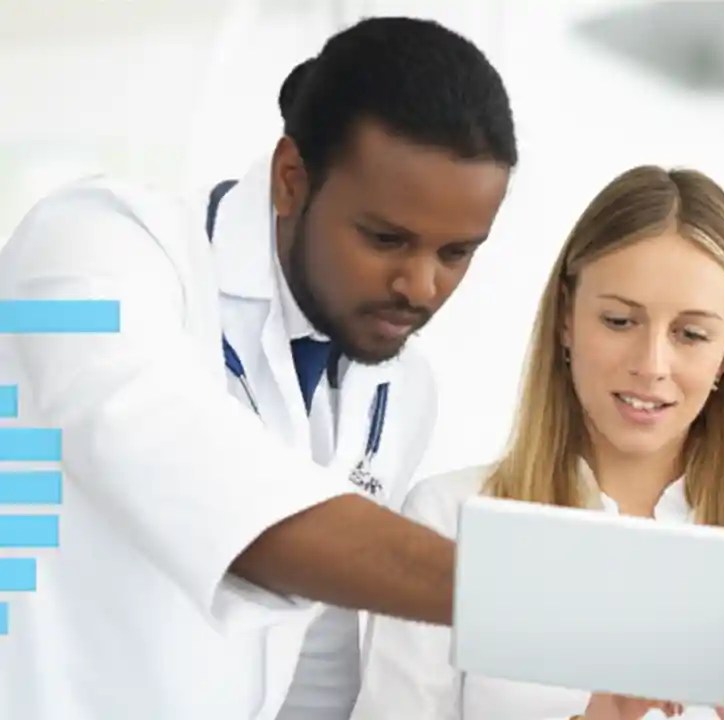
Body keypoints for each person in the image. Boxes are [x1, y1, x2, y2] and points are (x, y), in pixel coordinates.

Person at [0, 17, 516, 720]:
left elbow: (317, 651)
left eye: (457, 253)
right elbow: (221, 500)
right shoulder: (91, 250)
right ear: (291, 179)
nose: (422, 287)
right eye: (385, 238)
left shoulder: (401, 386)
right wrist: (535, 602)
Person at [347, 164, 724, 720]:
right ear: (567, 321)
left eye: (691, 334)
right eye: (620, 321)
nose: (651, 365)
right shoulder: (448, 523)